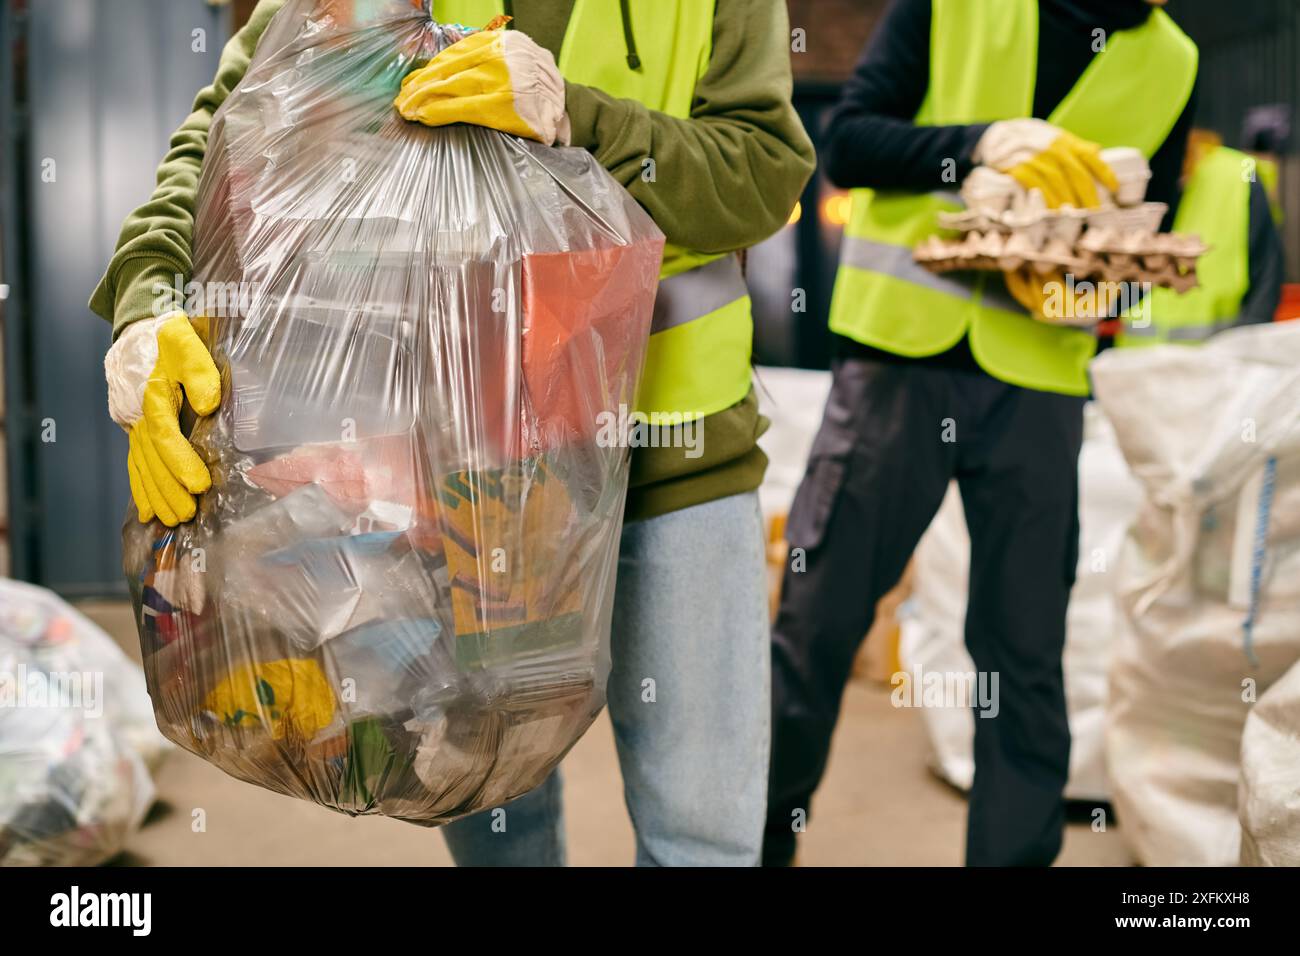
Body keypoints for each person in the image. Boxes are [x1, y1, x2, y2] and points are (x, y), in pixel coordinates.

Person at [91, 0, 814, 866]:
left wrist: (576, 118)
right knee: (484, 809)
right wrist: (147, 298)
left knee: (704, 837)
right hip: (462, 478)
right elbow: (225, 128)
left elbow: (765, 171)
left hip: (680, 455)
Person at [764, 0, 1196, 867]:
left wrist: (1080, 279)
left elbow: (1145, 237)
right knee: (817, 630)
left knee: (1023, 659)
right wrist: (977, 147)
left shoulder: (1174, 60)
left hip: (1037, 384)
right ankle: (747, 848)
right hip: (901, 363)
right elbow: (847, 143)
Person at [1112, 137, 1284, 346]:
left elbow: (1266, 275)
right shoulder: (1119, 174)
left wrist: (1245, 355)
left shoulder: (1238, 174)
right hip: (1129, 365)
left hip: (1218, 366)